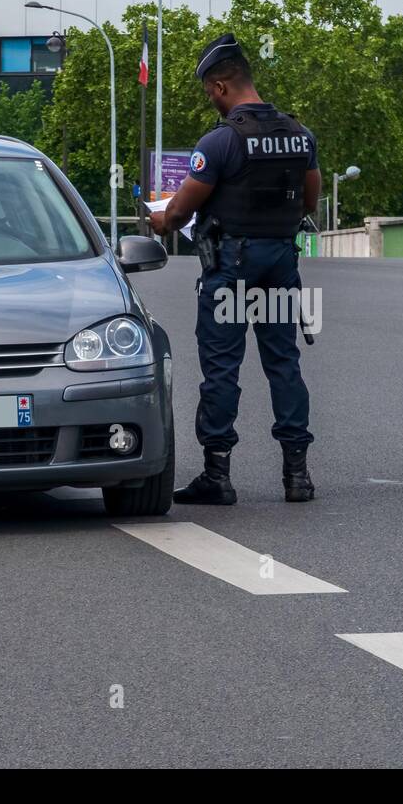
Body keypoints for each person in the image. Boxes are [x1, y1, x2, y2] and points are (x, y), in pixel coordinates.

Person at [148, 34, 322, 505]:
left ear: (221, 87)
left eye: (209, 92)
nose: (211, 101)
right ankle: (297, 476)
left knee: (222, 368)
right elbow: (310, 200)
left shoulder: (221, 141)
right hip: (282, 265)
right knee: (283, 363)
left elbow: (181, 213)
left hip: (231, 268)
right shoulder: (299, 135)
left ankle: (217, 476)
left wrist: (159, 218)